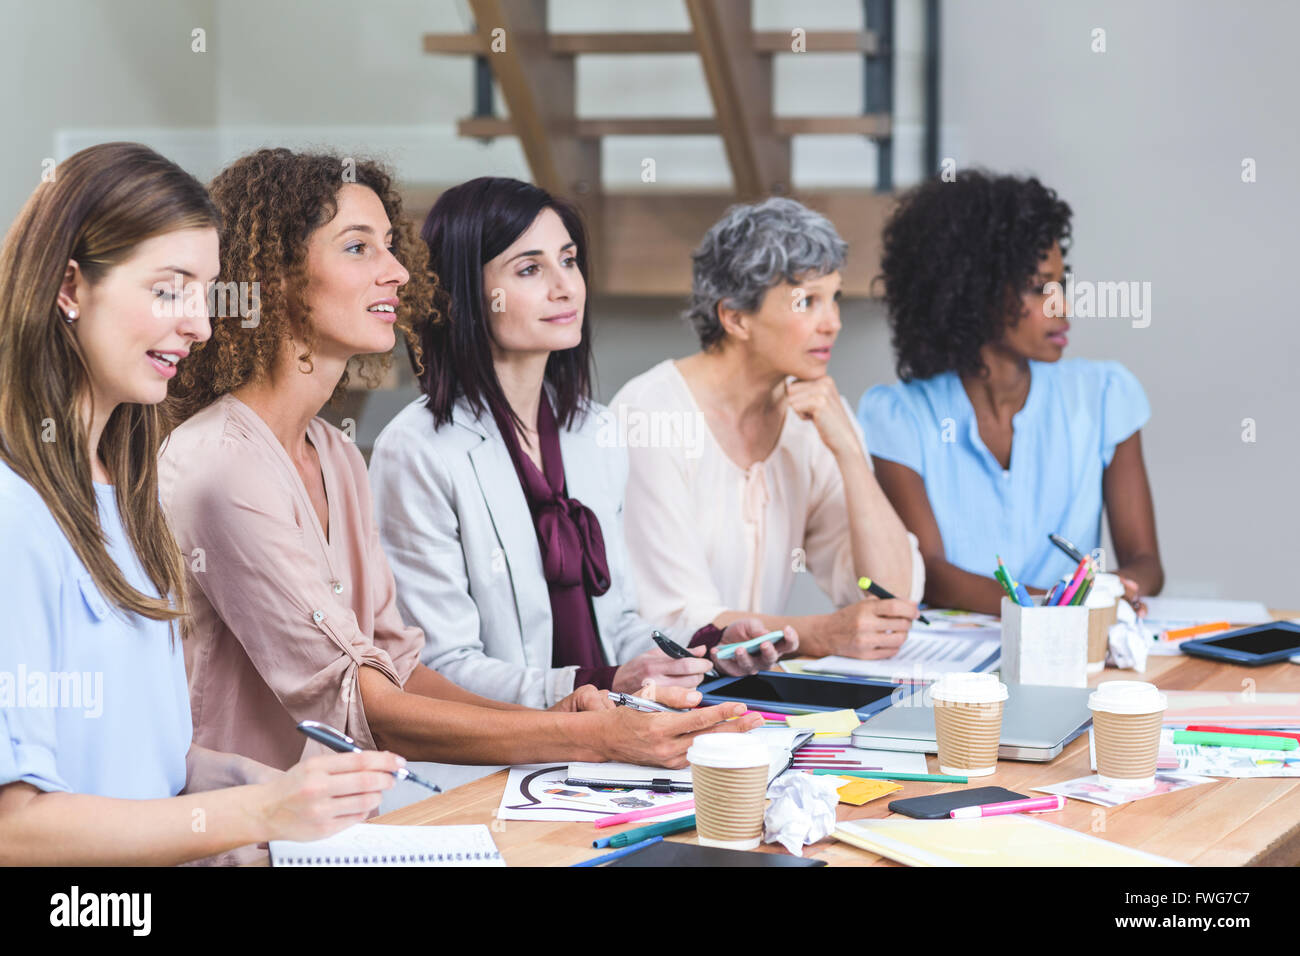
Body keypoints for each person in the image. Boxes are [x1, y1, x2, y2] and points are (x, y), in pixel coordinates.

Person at [160, 150, 759, 785]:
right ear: (274, 275)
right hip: (248, 839)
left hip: (345, 820)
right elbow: (369, 704)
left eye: (391, 247)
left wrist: (574, 710)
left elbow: (401, 666)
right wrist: (586, 732)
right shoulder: (224, 466)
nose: (397, 272)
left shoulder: (336, 454)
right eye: (359, 249)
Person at [0, 143, 401, 865]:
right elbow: (15, 829)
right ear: (68, 288)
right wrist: (257, 808)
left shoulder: (126, 494)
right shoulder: (14, 514)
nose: (200, 326)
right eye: (169, 289)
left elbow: (146, 765)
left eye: (205, 292)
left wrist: (278, 789)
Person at [369, 176, 794, 709]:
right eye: (529, 269)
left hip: (600, 749)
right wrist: (596, 684)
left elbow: (615, 627)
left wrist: (705, 649)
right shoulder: (415, 451)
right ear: (466, 292)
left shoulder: (596, 432)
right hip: (497, 764)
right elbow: (439, 668)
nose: (564, 286)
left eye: (568, 260)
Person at [610, 197, 925, 660]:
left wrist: (851, 456)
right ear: (735, 317)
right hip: (657, 702)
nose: (832, 323)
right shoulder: (649, 415)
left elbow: (891, 599)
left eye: (833, 298)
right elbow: (678, 622)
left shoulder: (816, 419)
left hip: (755, 708)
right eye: (808, 302)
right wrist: (821, 634)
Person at [857, 170, 1163, 616]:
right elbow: (931, 574)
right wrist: (1049, 611)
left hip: (1071, 660)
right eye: (1040, 288)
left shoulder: (1103, 396)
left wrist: (1117, 592)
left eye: (1062, 283)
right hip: (956, 673)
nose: (1062, 306)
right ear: (973, 293)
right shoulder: (900, 416)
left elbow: (1146, 561)